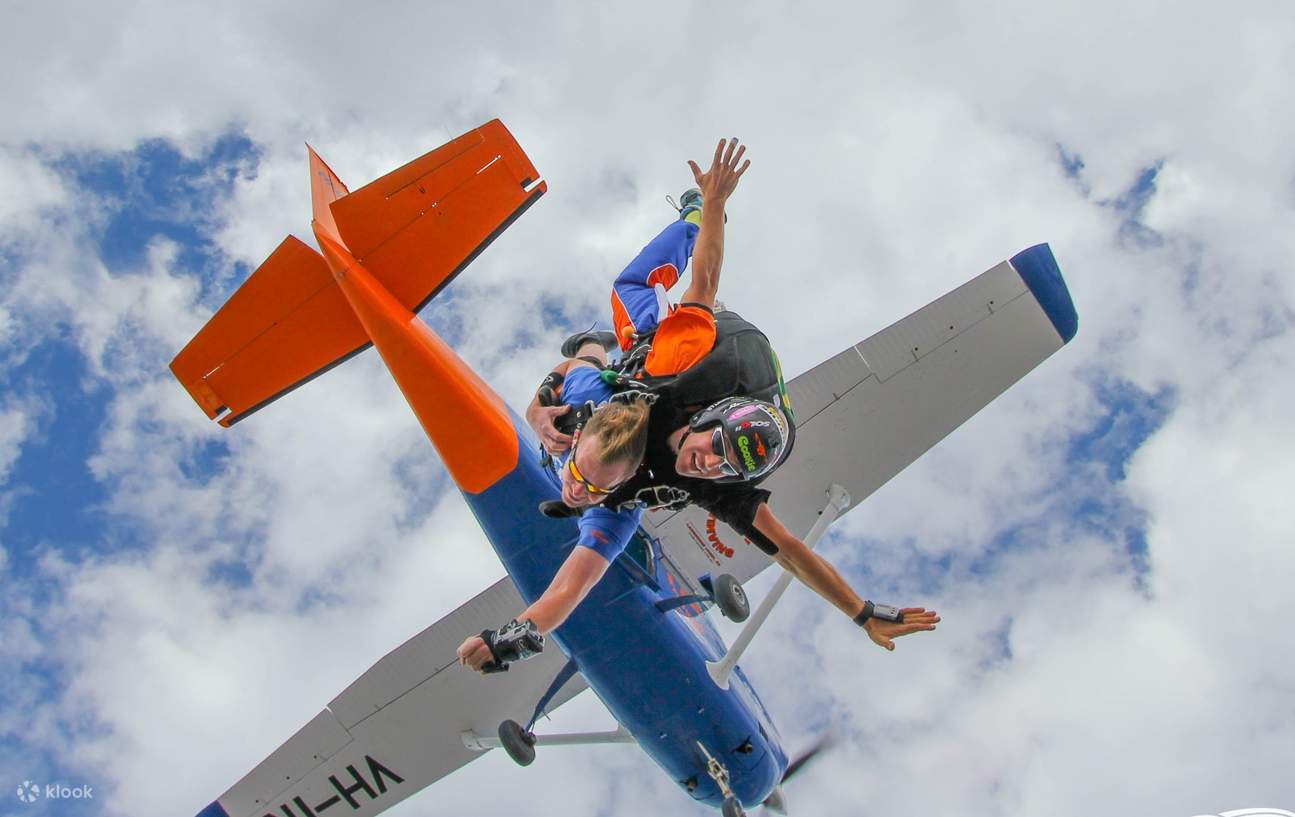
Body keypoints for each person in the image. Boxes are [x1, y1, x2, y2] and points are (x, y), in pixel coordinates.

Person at [457, 140, 938, 674]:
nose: (709, 464)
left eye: (723, 466)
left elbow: (790, 552)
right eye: (714, 448)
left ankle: (597, 344)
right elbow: (703, 280)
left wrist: (862, 612)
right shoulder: (636, 384)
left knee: (599, 423)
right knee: (630, 288)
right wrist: (710, 205)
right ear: (703, 422)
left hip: (723, 386)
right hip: (706, 354)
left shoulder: (695, 488)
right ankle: (604, 328)